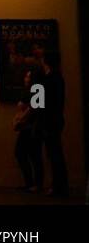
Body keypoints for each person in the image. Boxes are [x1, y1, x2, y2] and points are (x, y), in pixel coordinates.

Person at [37, 50, 69, 197]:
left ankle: (57, 186)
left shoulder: (48, 79)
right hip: (56, 119)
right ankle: (60, 184)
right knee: (56, 153)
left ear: (45, 61)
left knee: (53, 154)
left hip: (49, 120)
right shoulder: (59, 78)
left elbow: (40, 102)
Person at [13, 69, 42, 193]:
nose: (25, 78)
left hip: (32, 127)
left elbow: (32, 109)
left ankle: (35, 184)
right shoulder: (26, 91)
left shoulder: (37, 90)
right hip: (26, 127)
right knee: (23, 153)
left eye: (28, 76)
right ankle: (30, 183)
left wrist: (20, 121)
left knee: (33, 155)